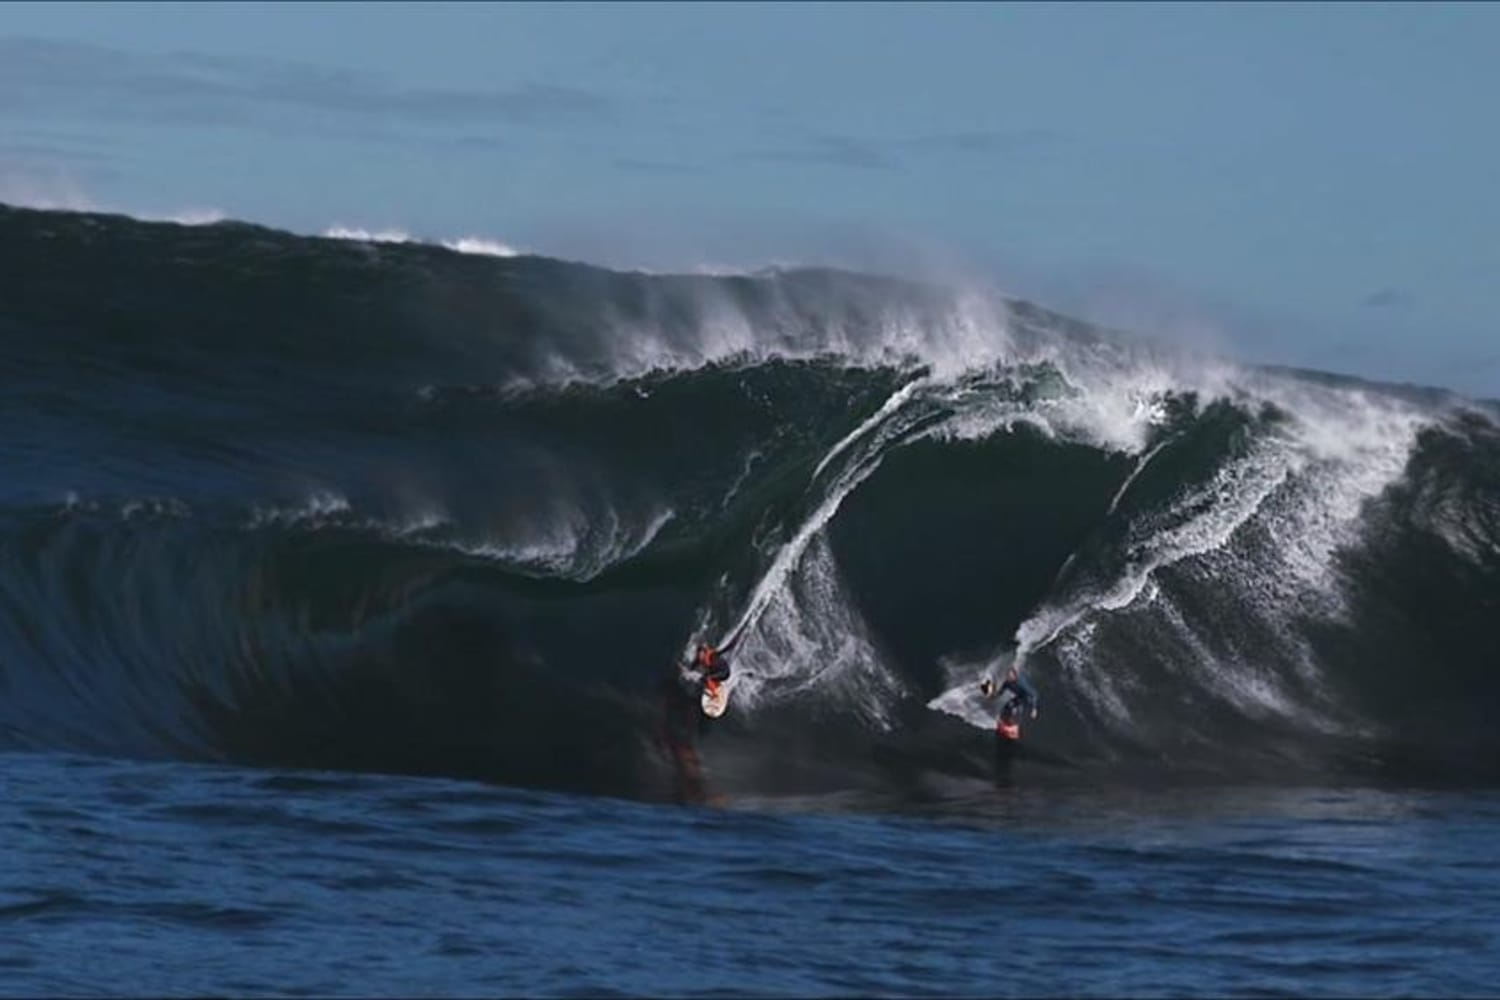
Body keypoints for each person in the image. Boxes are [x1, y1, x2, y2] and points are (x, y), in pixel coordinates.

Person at [980, 665, 1039, 737]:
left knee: (1016, 710)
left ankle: (1015, 728)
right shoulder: (1007, 683)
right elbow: (1001, 692)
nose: (1008, 677)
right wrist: (993, 696)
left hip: (1028, 699)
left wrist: (1034, 709)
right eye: (1008, 675)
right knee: (1007, 707)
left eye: (1010, 676)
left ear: (1014, 676)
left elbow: (1033, 694)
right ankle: (1004, 722)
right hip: (1020, 697)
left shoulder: (1021, 683)